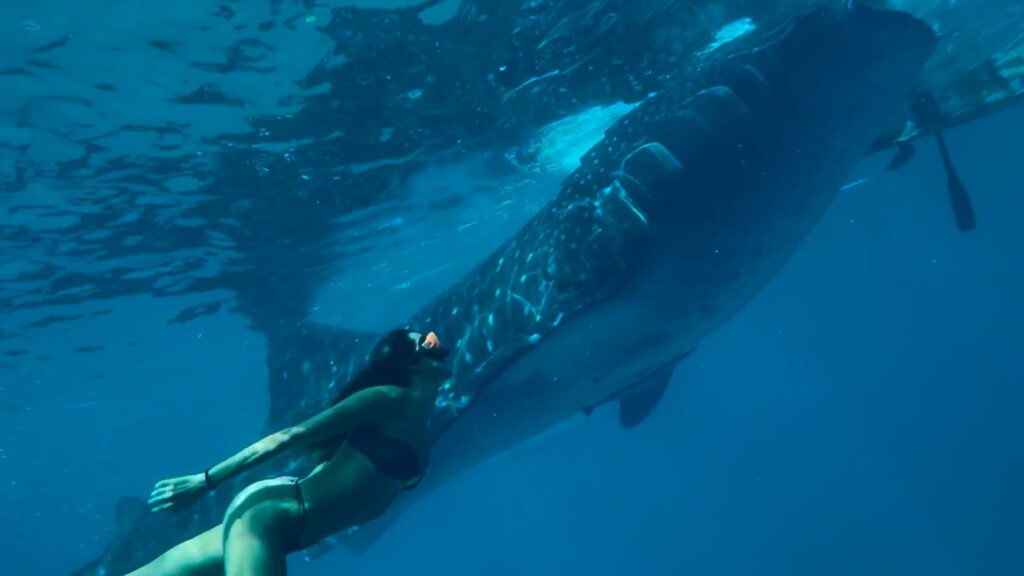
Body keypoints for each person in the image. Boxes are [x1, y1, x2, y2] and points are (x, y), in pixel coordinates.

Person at [128, 329, 452, 576]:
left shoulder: (419, 427)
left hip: (286, 530)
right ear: (410, 363)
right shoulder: (387, 399)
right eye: (429, 342)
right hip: (269, 518)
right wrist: (205, 480)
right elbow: (286, 438)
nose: (441, 345)